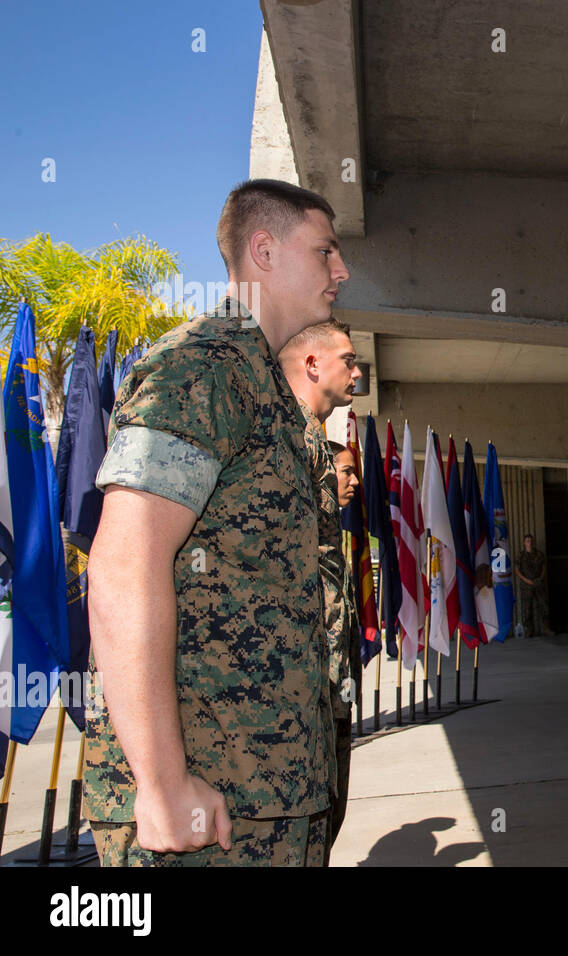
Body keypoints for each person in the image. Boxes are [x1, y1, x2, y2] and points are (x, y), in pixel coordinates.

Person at [83, 179, 351, 866]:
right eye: (325, 252)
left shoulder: (263, 386)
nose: (341, 271)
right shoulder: (204, 368)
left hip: (270, 793)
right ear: (263, 251)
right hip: (208, 802)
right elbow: (123, 564)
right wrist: (164, 784)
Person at [278, 319, 364, 854]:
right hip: (296, 697)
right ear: (313, 365)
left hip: (325, 690)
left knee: (325, 826)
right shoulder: (286, 439)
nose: (357, 373)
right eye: (348, 361)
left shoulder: (306, 437)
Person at [515, 533, 550, 637]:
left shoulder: (539, 554)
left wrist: (540, 578)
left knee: (544, 605)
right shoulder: (520, 556)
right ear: (524, 543)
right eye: (527, 541)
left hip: (538, 584)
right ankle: (529, 630)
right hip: (526, 586)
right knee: (527, 609)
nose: (529, 543)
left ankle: (545, 628)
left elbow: (543, 567)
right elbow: (517, 571)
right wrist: (527, 581)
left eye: (531, 541)